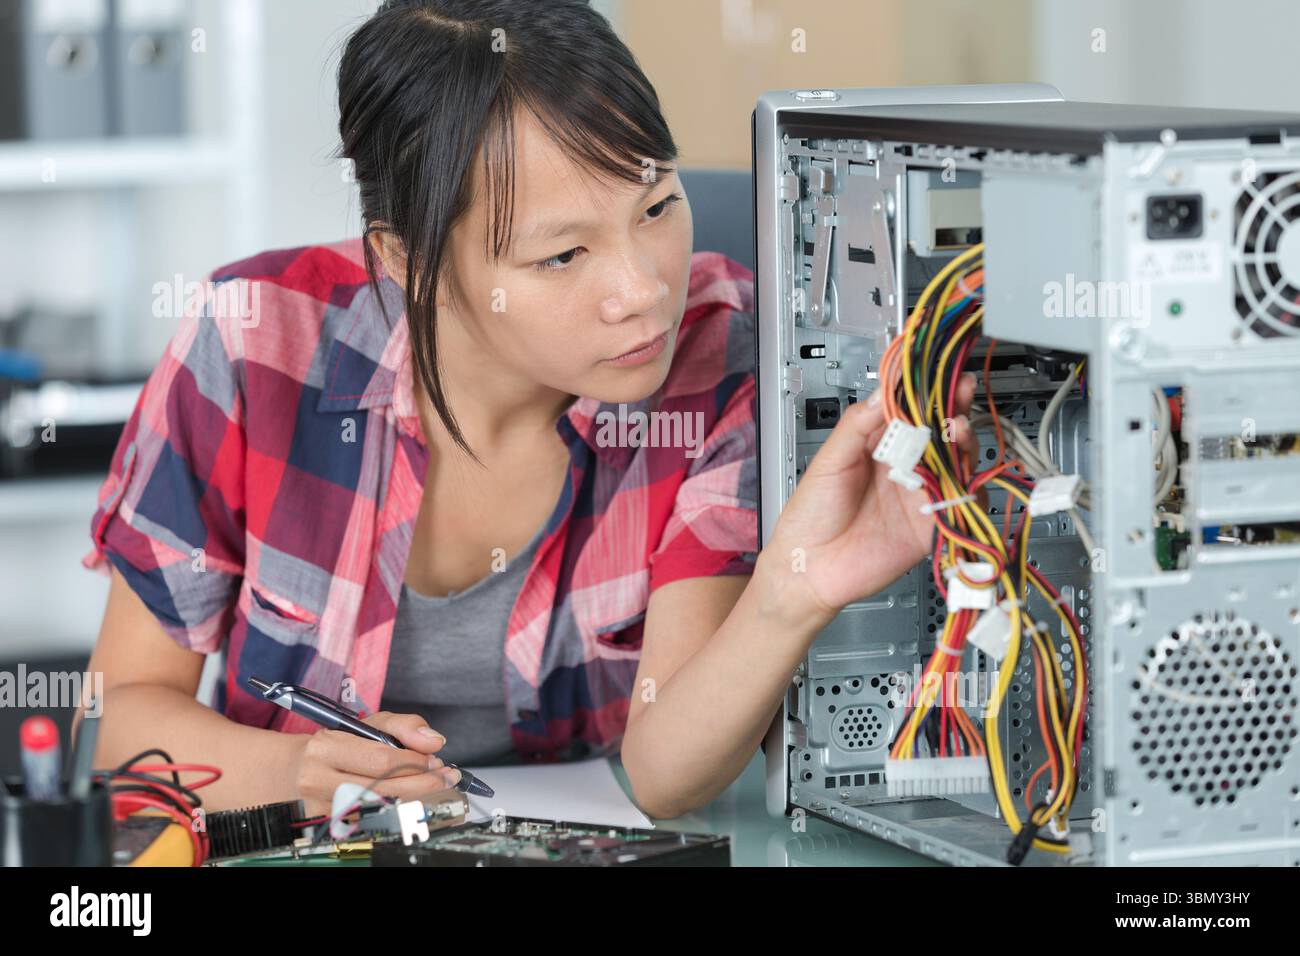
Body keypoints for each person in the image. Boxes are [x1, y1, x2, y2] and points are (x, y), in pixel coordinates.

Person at [76, 0, 978, 819]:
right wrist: (300, 772)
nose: (643, 291)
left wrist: (795, 587)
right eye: (561, 257)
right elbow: (118, 722)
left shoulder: (722, 358)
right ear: (408, 258)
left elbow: (667, 771)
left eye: (657, 204)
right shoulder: (253, 342)